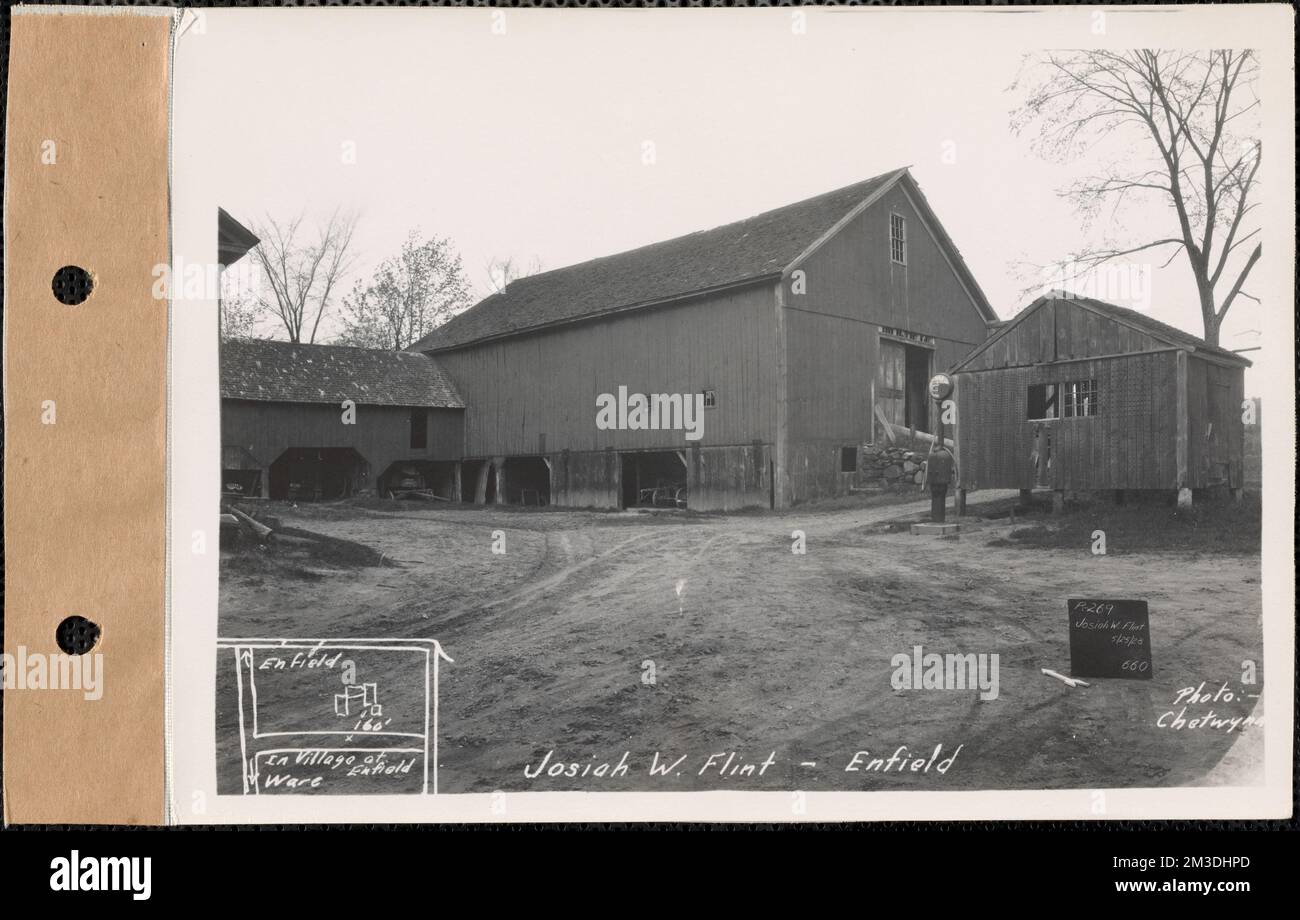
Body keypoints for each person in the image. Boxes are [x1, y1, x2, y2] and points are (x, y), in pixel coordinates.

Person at [925, 442, 956, 523]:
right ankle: (937, 519)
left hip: (939, 482)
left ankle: (938, 519)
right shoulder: (938, 455)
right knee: (936, 493)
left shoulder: (937, 456)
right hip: (936, 482)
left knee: (939, 493)